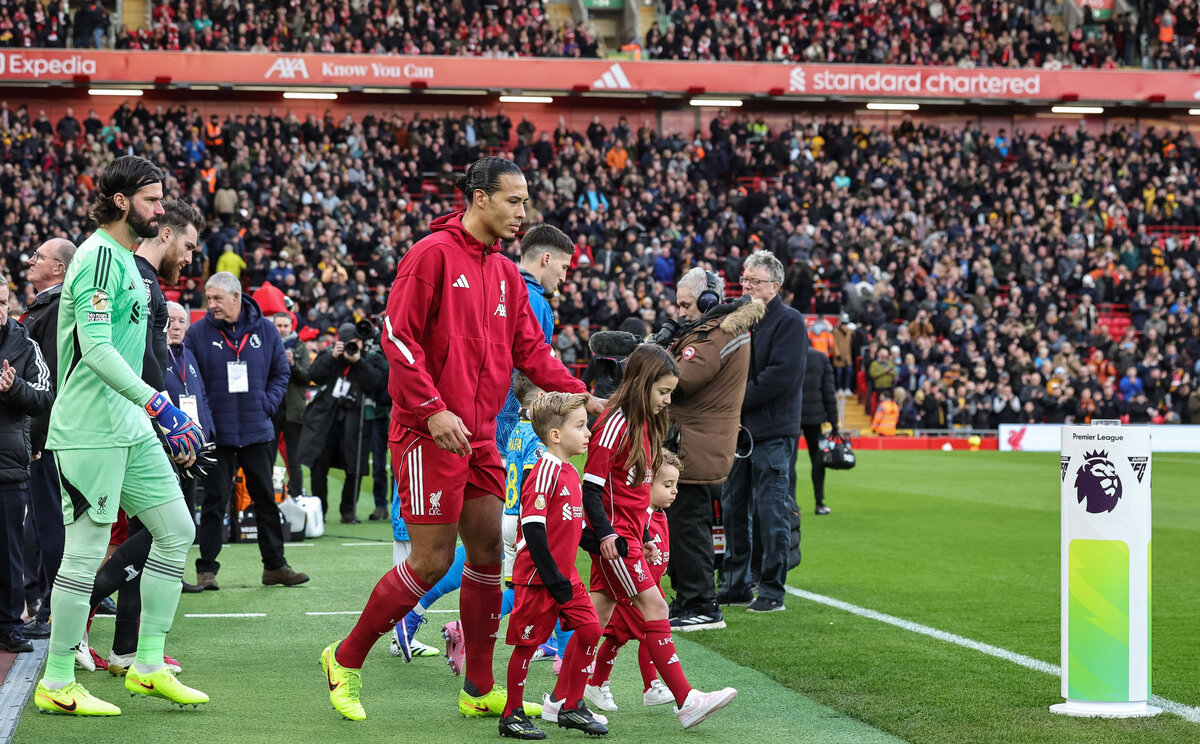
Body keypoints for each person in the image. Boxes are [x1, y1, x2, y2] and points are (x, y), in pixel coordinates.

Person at [321, 156, 600, 722]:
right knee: (429, 561)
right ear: (478, 198)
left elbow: (532, 352)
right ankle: (344, 660)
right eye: (514, 200)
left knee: (489, 554)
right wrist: (430, 410)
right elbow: (397, 339)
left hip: (478, 438)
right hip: (428, 434)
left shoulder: (501, 271)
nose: (523, 212)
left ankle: (477, 687)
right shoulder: (430, 255)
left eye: (525, 201)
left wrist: (581, 393)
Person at [37, 155, 207, 715]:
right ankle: (58, 679)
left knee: (176, 530)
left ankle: (148, 664)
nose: (161, 211)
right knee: (84, 554)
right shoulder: (96, 259)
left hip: (128, 426)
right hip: (90, 430)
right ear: (120, 201)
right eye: (153, 200)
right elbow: (97, 349)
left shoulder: (125, 261)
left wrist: (150, 412)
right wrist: (159, 403)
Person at [582, 344, 737, 730]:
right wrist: (606, 536)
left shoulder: (647, 422)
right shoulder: (616, 422)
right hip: (617, 541)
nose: (667, 400)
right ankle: (685, 700)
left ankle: (563, 698)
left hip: (632, 536)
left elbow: (634, 490)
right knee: (656, 608)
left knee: (596, 619)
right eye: (663, 391)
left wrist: (646, 531)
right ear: (641, 383)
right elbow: (591, 486)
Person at [186, 271, 307, 589]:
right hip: (218, 434)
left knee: (265, 500)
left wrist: (266, 404)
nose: (211, 305)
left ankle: (275, 567)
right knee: (214, 501)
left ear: (237, 297)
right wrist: (206, 417)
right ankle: (206, 570)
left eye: (218, 299)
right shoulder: (197, 334)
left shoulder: (266, 330)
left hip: (257, 430)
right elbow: (190, 378)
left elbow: (281, 371)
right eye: (208, 299)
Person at [500, 391, 607, 739]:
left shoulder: (570, 472)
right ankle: (512, 713)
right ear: (555, 435)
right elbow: (532, 528)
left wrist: (604, 542)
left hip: (565, 575)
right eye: (580, 426)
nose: (588, 433)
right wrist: (551, 578)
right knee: (527, 646)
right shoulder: (544, 469)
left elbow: (570, 530)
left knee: (591, 630)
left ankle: (571, 706)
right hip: (538, 577)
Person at [663, 268, 763, 631]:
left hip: (696, 442)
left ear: (708, 301)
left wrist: (654, 358)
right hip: (695, 438)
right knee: (682, 523)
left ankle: (703, 603)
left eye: (687, 304)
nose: (682, 312)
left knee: (689, 525)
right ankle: (691, 600)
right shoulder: (718, 329)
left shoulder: (720, 331)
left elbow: (682, 378)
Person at [720, 250, 807, 614]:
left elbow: (779, 377)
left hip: (772, 430)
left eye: (754, 281)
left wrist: (734, 401)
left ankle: (772, 589)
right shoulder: (742, 318)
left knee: (773, 511)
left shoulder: (789, 321)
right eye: (744, 279)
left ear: (775, 285)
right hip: (740, 431)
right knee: (733, 507)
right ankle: (737, 583)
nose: (746, 285)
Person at [584, 449, 681, 713]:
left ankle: (597, 683)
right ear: (646, 482)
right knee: (650, 632)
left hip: (646, 587)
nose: (674, 491)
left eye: (675, 485)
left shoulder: (658, 514)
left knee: (616, 639)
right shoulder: (641, 516)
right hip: (632, 589)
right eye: (667, 485)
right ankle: (651, 686)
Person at [18, 237, 76, 640]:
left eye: (39, 256)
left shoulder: (53, 309)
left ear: (58, 268)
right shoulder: (51, 305)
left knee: (51, 519)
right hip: (61, 428)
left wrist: (36, 436)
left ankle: (55, 607)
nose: (32, 260)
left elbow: (47, 380)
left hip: (51, 431)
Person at [0, 281, 54, 654]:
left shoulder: (24, 343)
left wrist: (13, 387)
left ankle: (7, 625)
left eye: (2, 301)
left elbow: (44, 397)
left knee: (9, 550)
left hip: (8, 464)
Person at [494, 223, 576, 451]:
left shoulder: (502, 287)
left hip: (491, 416)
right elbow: (534, 366)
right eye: (564, 267)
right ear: (546, 259)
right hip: (510, 421)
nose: (564, 277)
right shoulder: (534, 301)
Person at [298, 323, 387, 523]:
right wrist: (332, 356)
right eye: (348, 344)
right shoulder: (331, 354)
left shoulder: (371, 358)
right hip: (327, 417)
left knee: (354, 464)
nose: (351, 347)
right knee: (319, 463)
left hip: (357, 418)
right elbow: (314, 375)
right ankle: (320, 508)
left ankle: (348, 511)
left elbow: (376, 383)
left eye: (355, 343)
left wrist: (358, 362)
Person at [271, 311, 311, 499]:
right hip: (271, 409)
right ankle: (264, 496)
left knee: (294, 460)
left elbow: (307, 378)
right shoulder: (266, 344)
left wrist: (293, 365)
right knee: (267, 457)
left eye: (286, 326)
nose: (282, 330)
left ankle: (296, 496)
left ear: (291, 327)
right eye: (279, 326)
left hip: (294, 411)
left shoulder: (301, 347)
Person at [799, 346, 839, 515]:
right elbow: (829, 392)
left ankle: (789, 505)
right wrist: (834, 422)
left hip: (793, 415)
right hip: (816, 418)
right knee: (818, 460)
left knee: (787, 461)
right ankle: (819, 502)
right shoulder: (821, 358)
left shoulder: (790, 353)